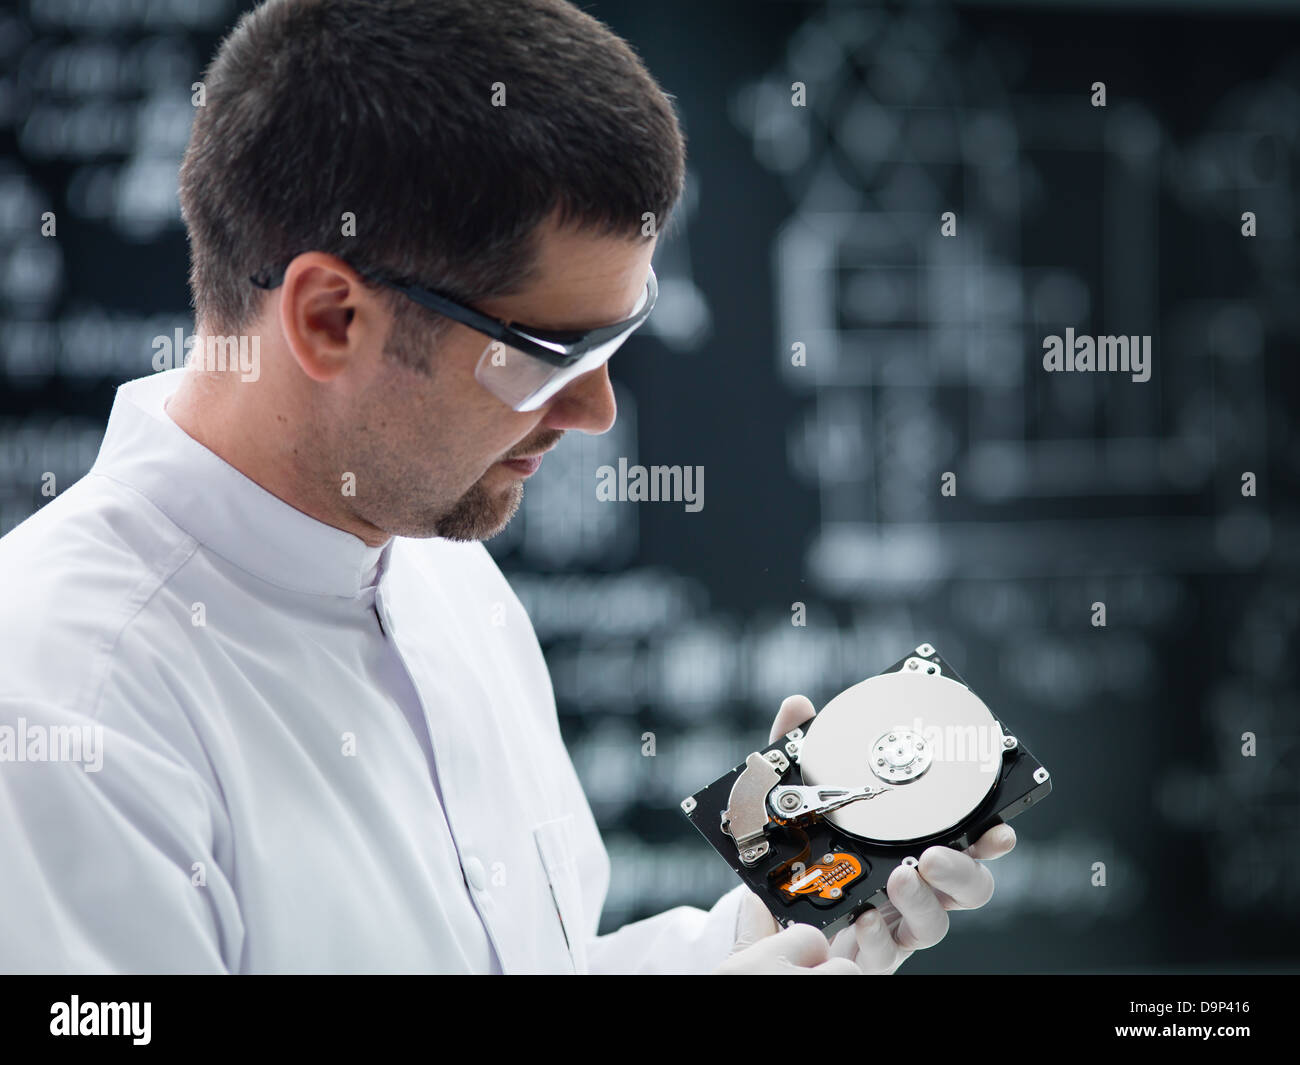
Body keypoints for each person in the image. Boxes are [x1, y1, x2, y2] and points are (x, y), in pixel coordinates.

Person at [0, 0, 1013, 974]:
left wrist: (772, 923)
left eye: (617, 335)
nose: (598, 412)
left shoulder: (450, 587)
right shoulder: (58, 707)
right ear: (328, 319)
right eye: (548, 353)